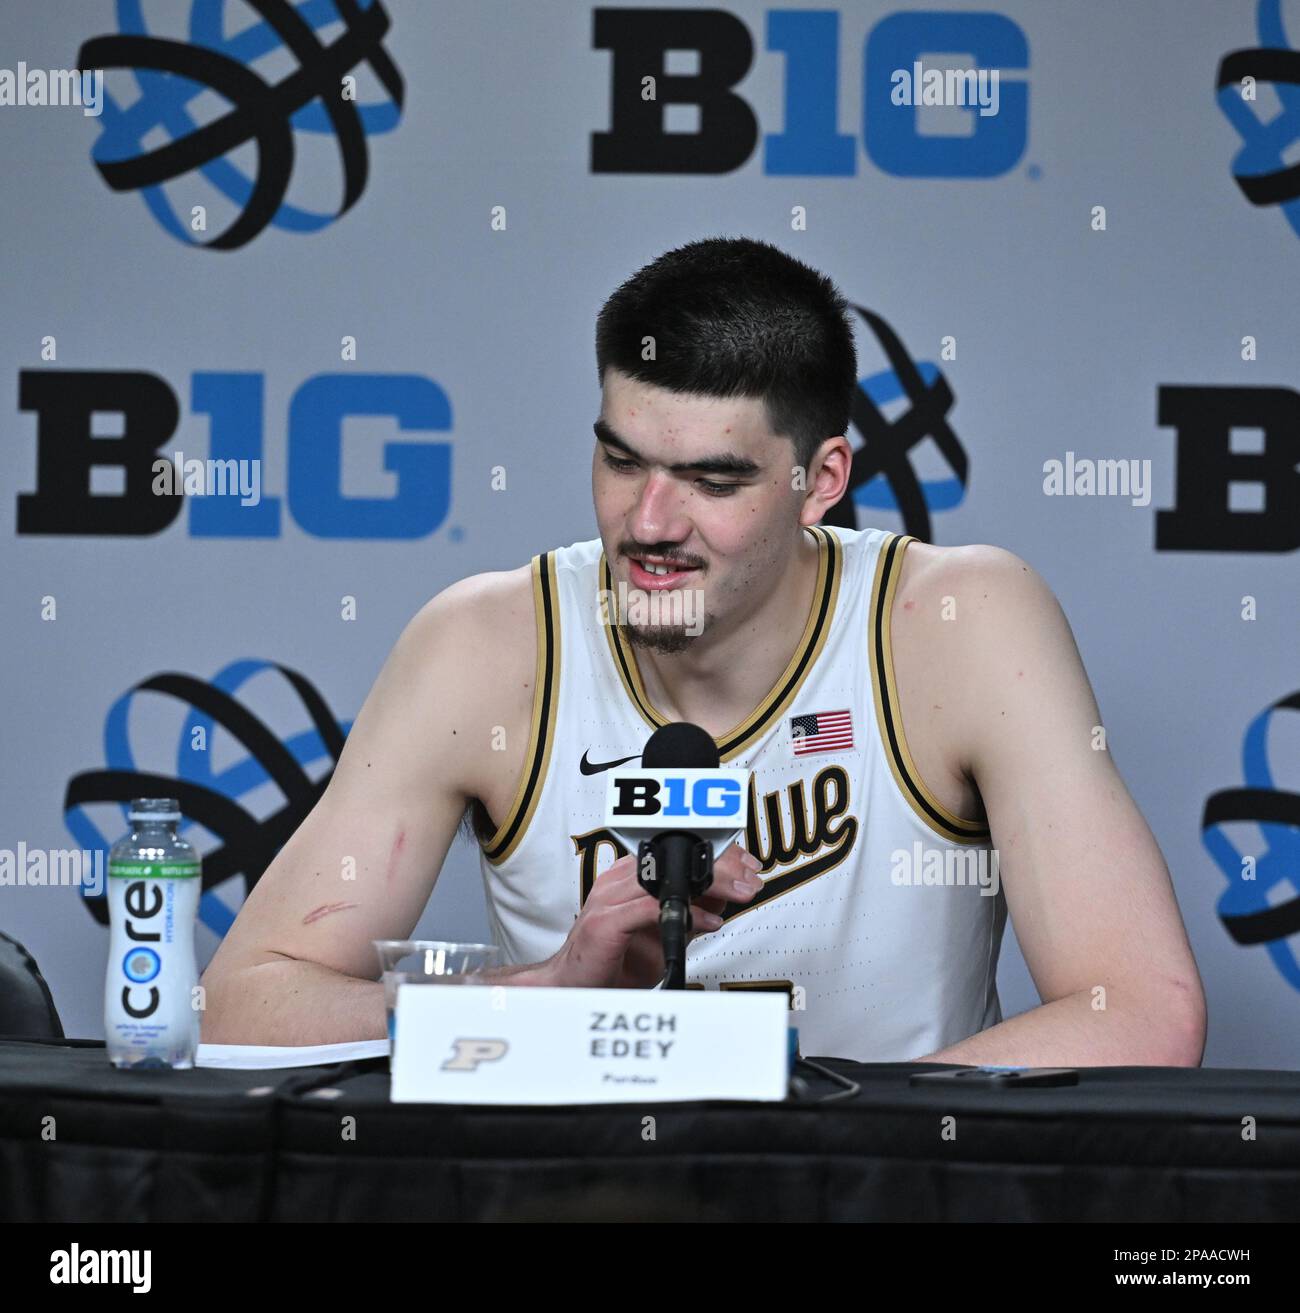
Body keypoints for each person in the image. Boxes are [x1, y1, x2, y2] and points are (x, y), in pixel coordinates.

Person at [200, 236, 1206, 1065]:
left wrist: (807, 1129)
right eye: (620, 457)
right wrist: (545, 992)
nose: (647, 522)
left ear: (823, 480)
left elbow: (1142, 1012)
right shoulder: (486, 643)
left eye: (713, 479)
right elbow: (240, 1002)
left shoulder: (956, 624)